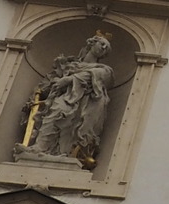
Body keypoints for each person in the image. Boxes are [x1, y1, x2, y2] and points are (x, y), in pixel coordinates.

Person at [18, 34, 114, 164]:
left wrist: (69, 79)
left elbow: (95, 76)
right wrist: (41, 92)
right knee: (54, 114)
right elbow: (49, 82)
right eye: (102, 44)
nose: (103, 48)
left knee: (70, 122)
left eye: (106, 48)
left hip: (87, 102)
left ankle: (65, 153)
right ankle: (40, 147)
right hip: (65, 96)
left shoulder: (104, 70)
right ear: (91, 43)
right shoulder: (70, 65)